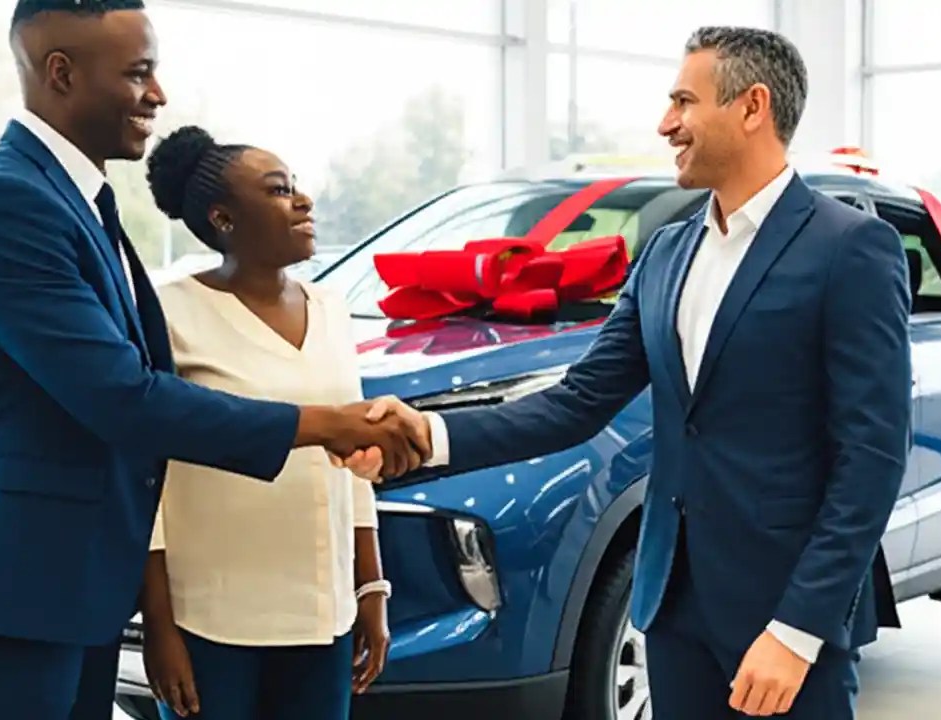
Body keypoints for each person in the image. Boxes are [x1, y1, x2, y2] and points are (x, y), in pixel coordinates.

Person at [355, 25, 910, 720]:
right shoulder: (668, 253)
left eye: (684, 101)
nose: (665, 123)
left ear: (751, 107)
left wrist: (798, 630)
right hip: (672, 609)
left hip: (784, 617)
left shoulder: (851, 248)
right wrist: (431, 434)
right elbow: (578, 403)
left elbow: (874, 457)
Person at [0, 2, 423, 718]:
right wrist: (326, 424)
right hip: (9, 585)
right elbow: (123, 397)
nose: (159, 95)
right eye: (138, 73)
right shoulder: (3, 203)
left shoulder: (77, 201)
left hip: (70, 586)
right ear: (61, 73)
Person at [135, 126, 391, 720]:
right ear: (224, 218)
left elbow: (354, 460)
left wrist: (370, 588)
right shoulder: (168, 312)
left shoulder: (329, 309)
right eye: (279, 191)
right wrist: (159, 626)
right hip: (212, 620)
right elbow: (145, 473)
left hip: (323, 617)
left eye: (297, 187)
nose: (303, 201)